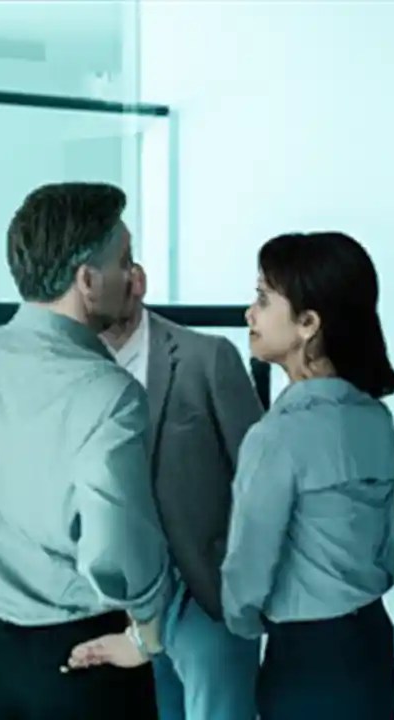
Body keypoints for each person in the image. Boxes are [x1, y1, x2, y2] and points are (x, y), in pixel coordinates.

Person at [0, 182, 168, 719]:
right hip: (85, 657)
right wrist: (149, 630)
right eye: (124, 260)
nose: (135, 276)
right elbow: (115, 550)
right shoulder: (108, 391)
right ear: (86, 279)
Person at [219, 232, 394, 719]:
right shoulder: (375, 419)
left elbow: (248, 566)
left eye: (262, 299)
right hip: (371, 642)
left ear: (308, 323)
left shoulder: (278, 435)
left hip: (307, 655)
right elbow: (387, 542)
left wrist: (241, 620)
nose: (249, 315)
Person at [94, 262, 264, 720]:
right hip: (110, 601)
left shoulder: (206, 357)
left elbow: (255, 479)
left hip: (203, 595)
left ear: (137, 281)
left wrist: (235, 584)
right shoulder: (69, 371)